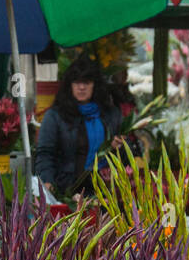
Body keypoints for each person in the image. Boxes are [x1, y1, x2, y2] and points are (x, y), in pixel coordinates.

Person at [34, 54, 125, 198]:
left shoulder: (111, 115)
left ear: (95, 85)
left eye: (87, 82)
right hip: (66, 191)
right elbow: (45, 153)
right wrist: (47, 182)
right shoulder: (55, 116)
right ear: (69, 86)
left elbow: (127, 155)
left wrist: (119, 147)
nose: (81, 87)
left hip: (105, 193)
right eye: (76, 82)